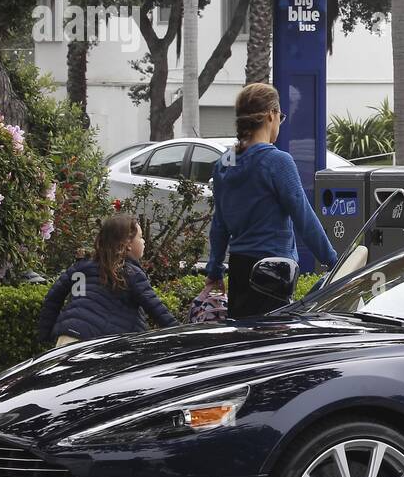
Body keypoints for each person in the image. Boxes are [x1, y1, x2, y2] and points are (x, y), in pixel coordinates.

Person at [202, 82, 338, 319]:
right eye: (280, 117)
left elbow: (220, 224)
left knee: (244, 343)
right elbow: (303, 216)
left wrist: (214, 271)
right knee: (272, 343)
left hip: (239, 268)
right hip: (272, 270)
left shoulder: (225, 162)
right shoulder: (277, 161)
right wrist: (333, 260)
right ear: (270, 116)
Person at [38, 214, 177, 347]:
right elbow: (158, 311)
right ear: (127, 243)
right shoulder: (130, 273)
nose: (144, 241)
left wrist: (44, 335)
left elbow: (53, 298)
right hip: (99, 344)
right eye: (140, 237)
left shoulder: (80, 267)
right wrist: (186, 336)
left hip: (66, 339)